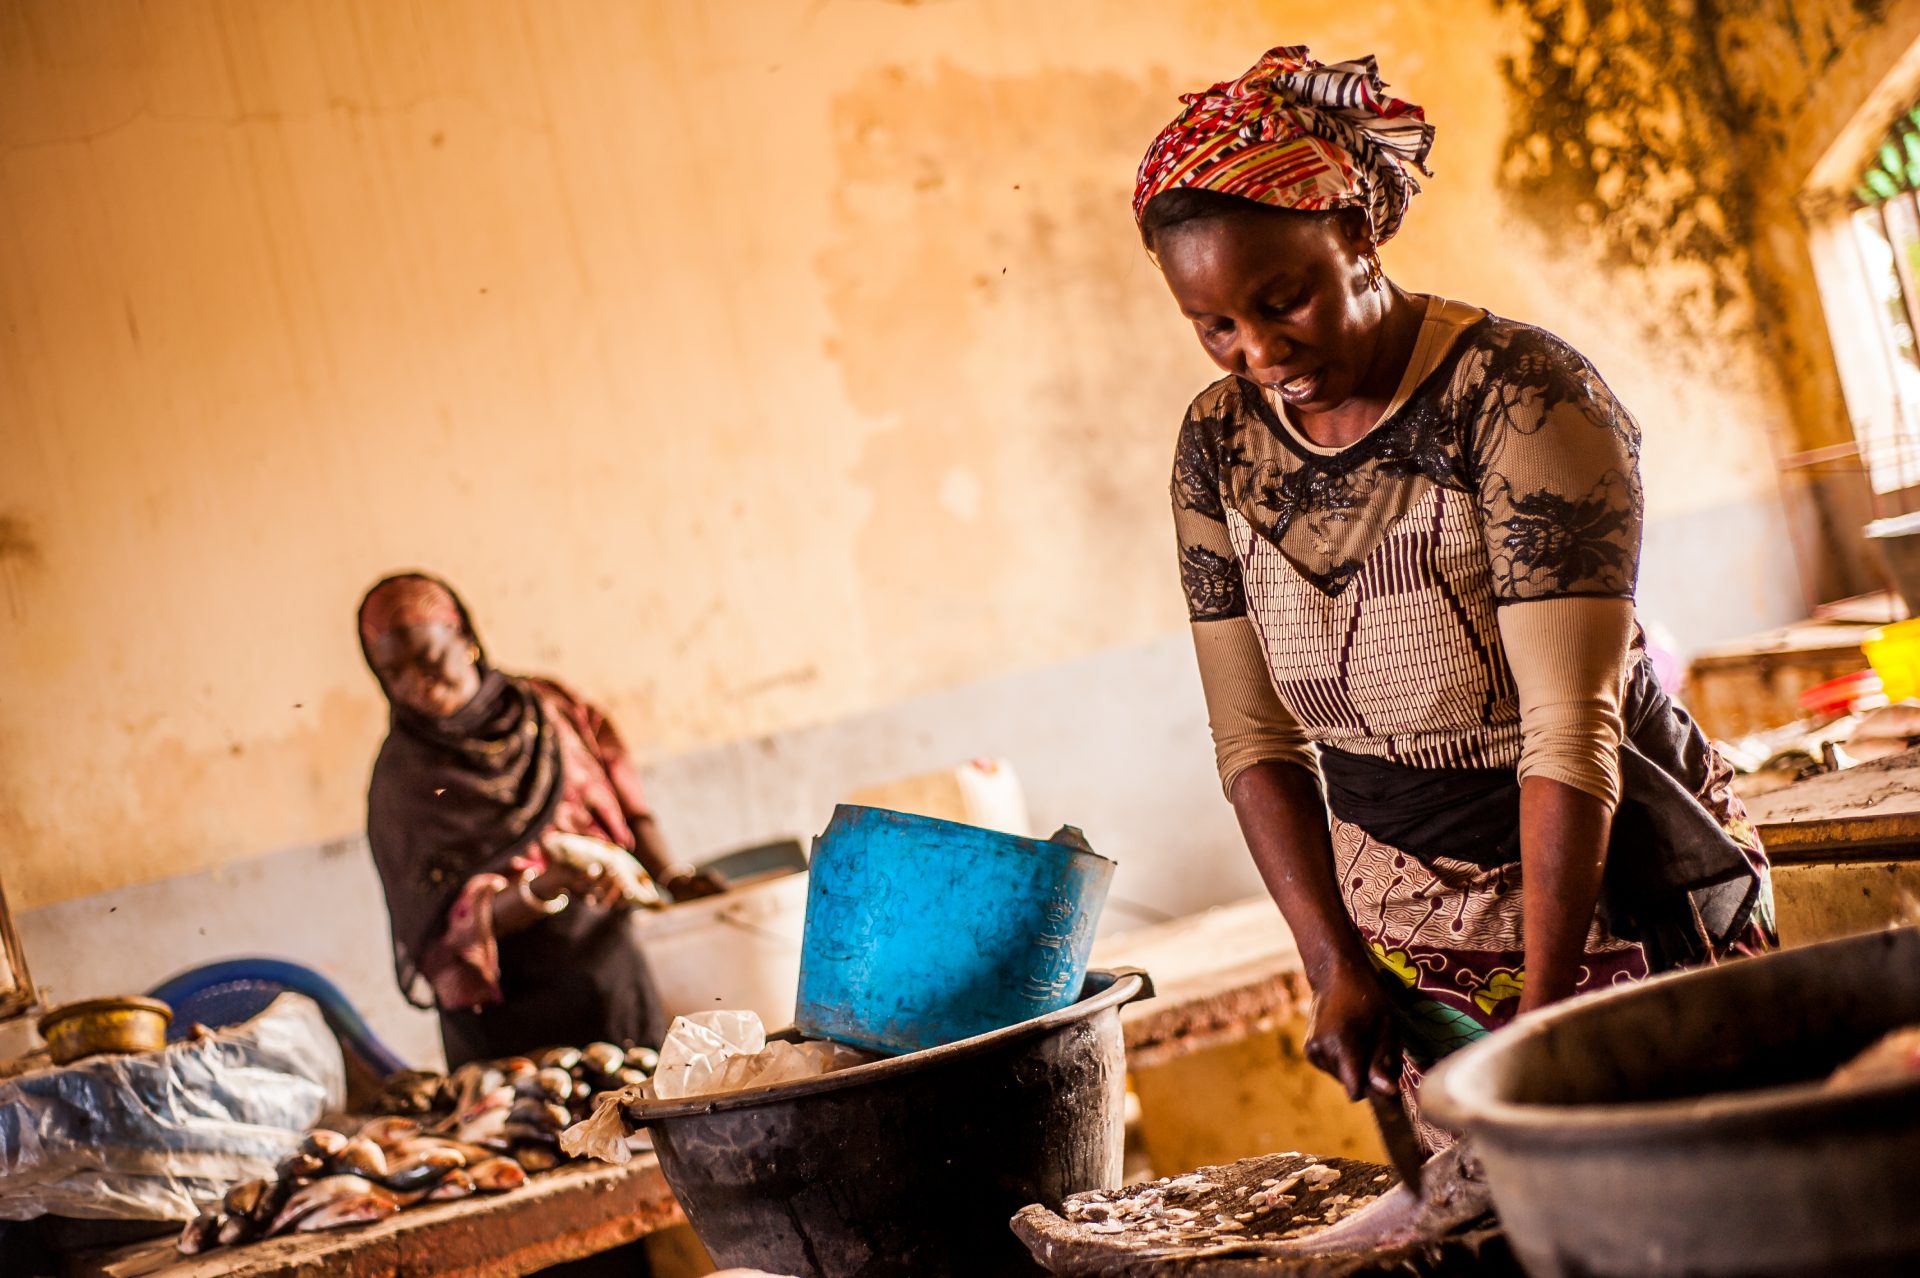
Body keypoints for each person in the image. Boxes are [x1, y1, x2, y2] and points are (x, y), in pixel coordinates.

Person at [1135, 48, 1775, 1143]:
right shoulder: (1217, 444)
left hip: (1609, 895)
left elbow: (1572, 731)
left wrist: (1540, 1023)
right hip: (1403, 943)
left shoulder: (1520, 399)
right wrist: (1333, 960)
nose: (1261, 351)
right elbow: (1251, 737)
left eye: (1284, 299)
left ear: (1356, 233)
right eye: (1216, 326)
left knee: (1681, 1199)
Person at [358, 572, 721, 1069]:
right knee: (538, 1132)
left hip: (610, 983)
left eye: (428, 658)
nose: (416, 684)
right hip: (507, 1028)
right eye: (393, 673)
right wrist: (547, 884)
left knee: (641, 1122)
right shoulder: (404, 781)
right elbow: (439, 932)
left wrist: (670, 875)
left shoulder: (549, 710)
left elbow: (623, 795)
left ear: (464, 639)